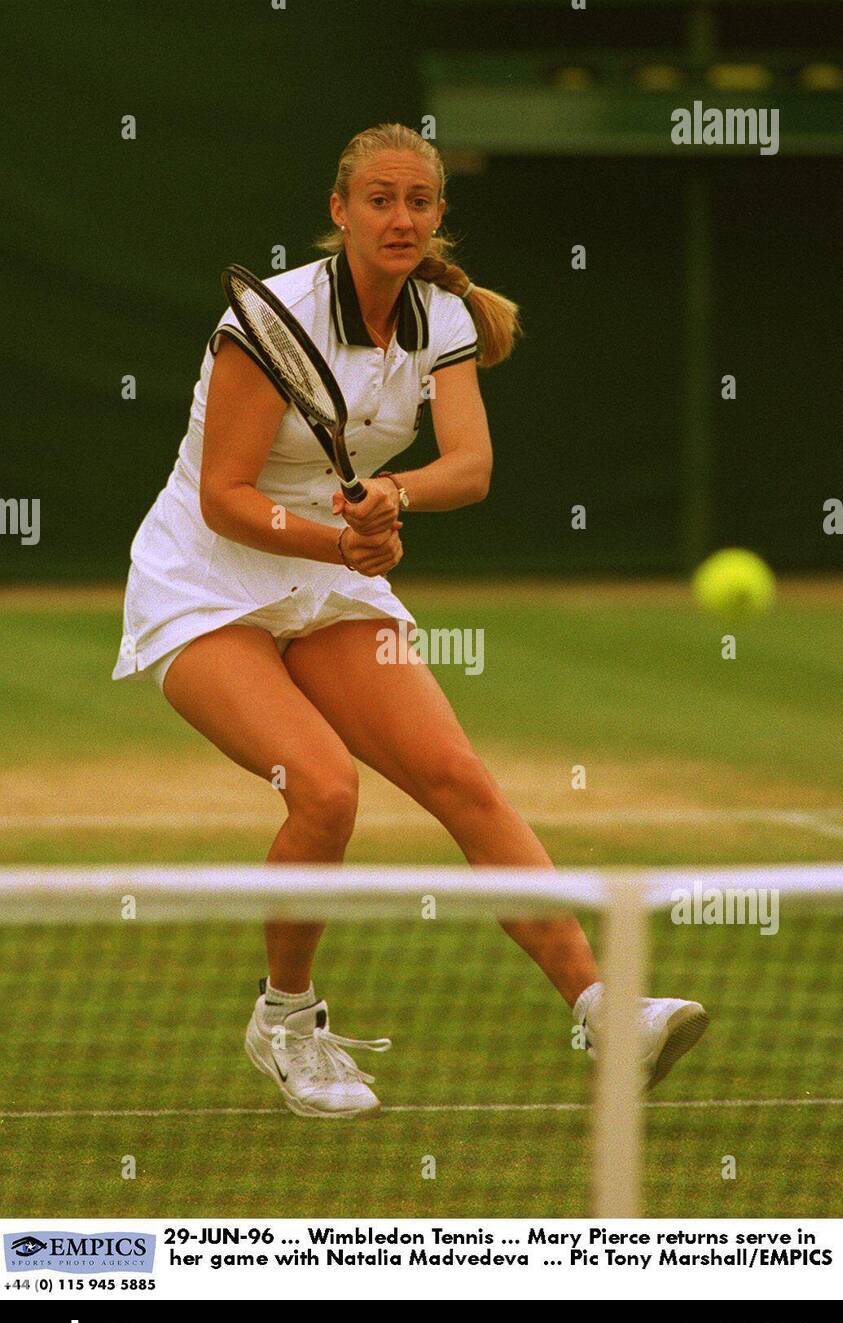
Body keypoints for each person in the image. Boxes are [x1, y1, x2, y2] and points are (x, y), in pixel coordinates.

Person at [113, 123, 707, 1118]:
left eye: (418, 201)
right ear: (340, 211)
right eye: (378, 199)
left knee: (456, 775)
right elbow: (222, 495)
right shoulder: (271, 321)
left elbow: (467, 468)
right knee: (323, 788)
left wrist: (390, 500)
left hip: (330, 583)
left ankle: (605, 1008)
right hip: (206, 580)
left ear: (437, 215)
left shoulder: (439, 314)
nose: (399, 217)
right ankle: (286, 1023)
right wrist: (342, 542)